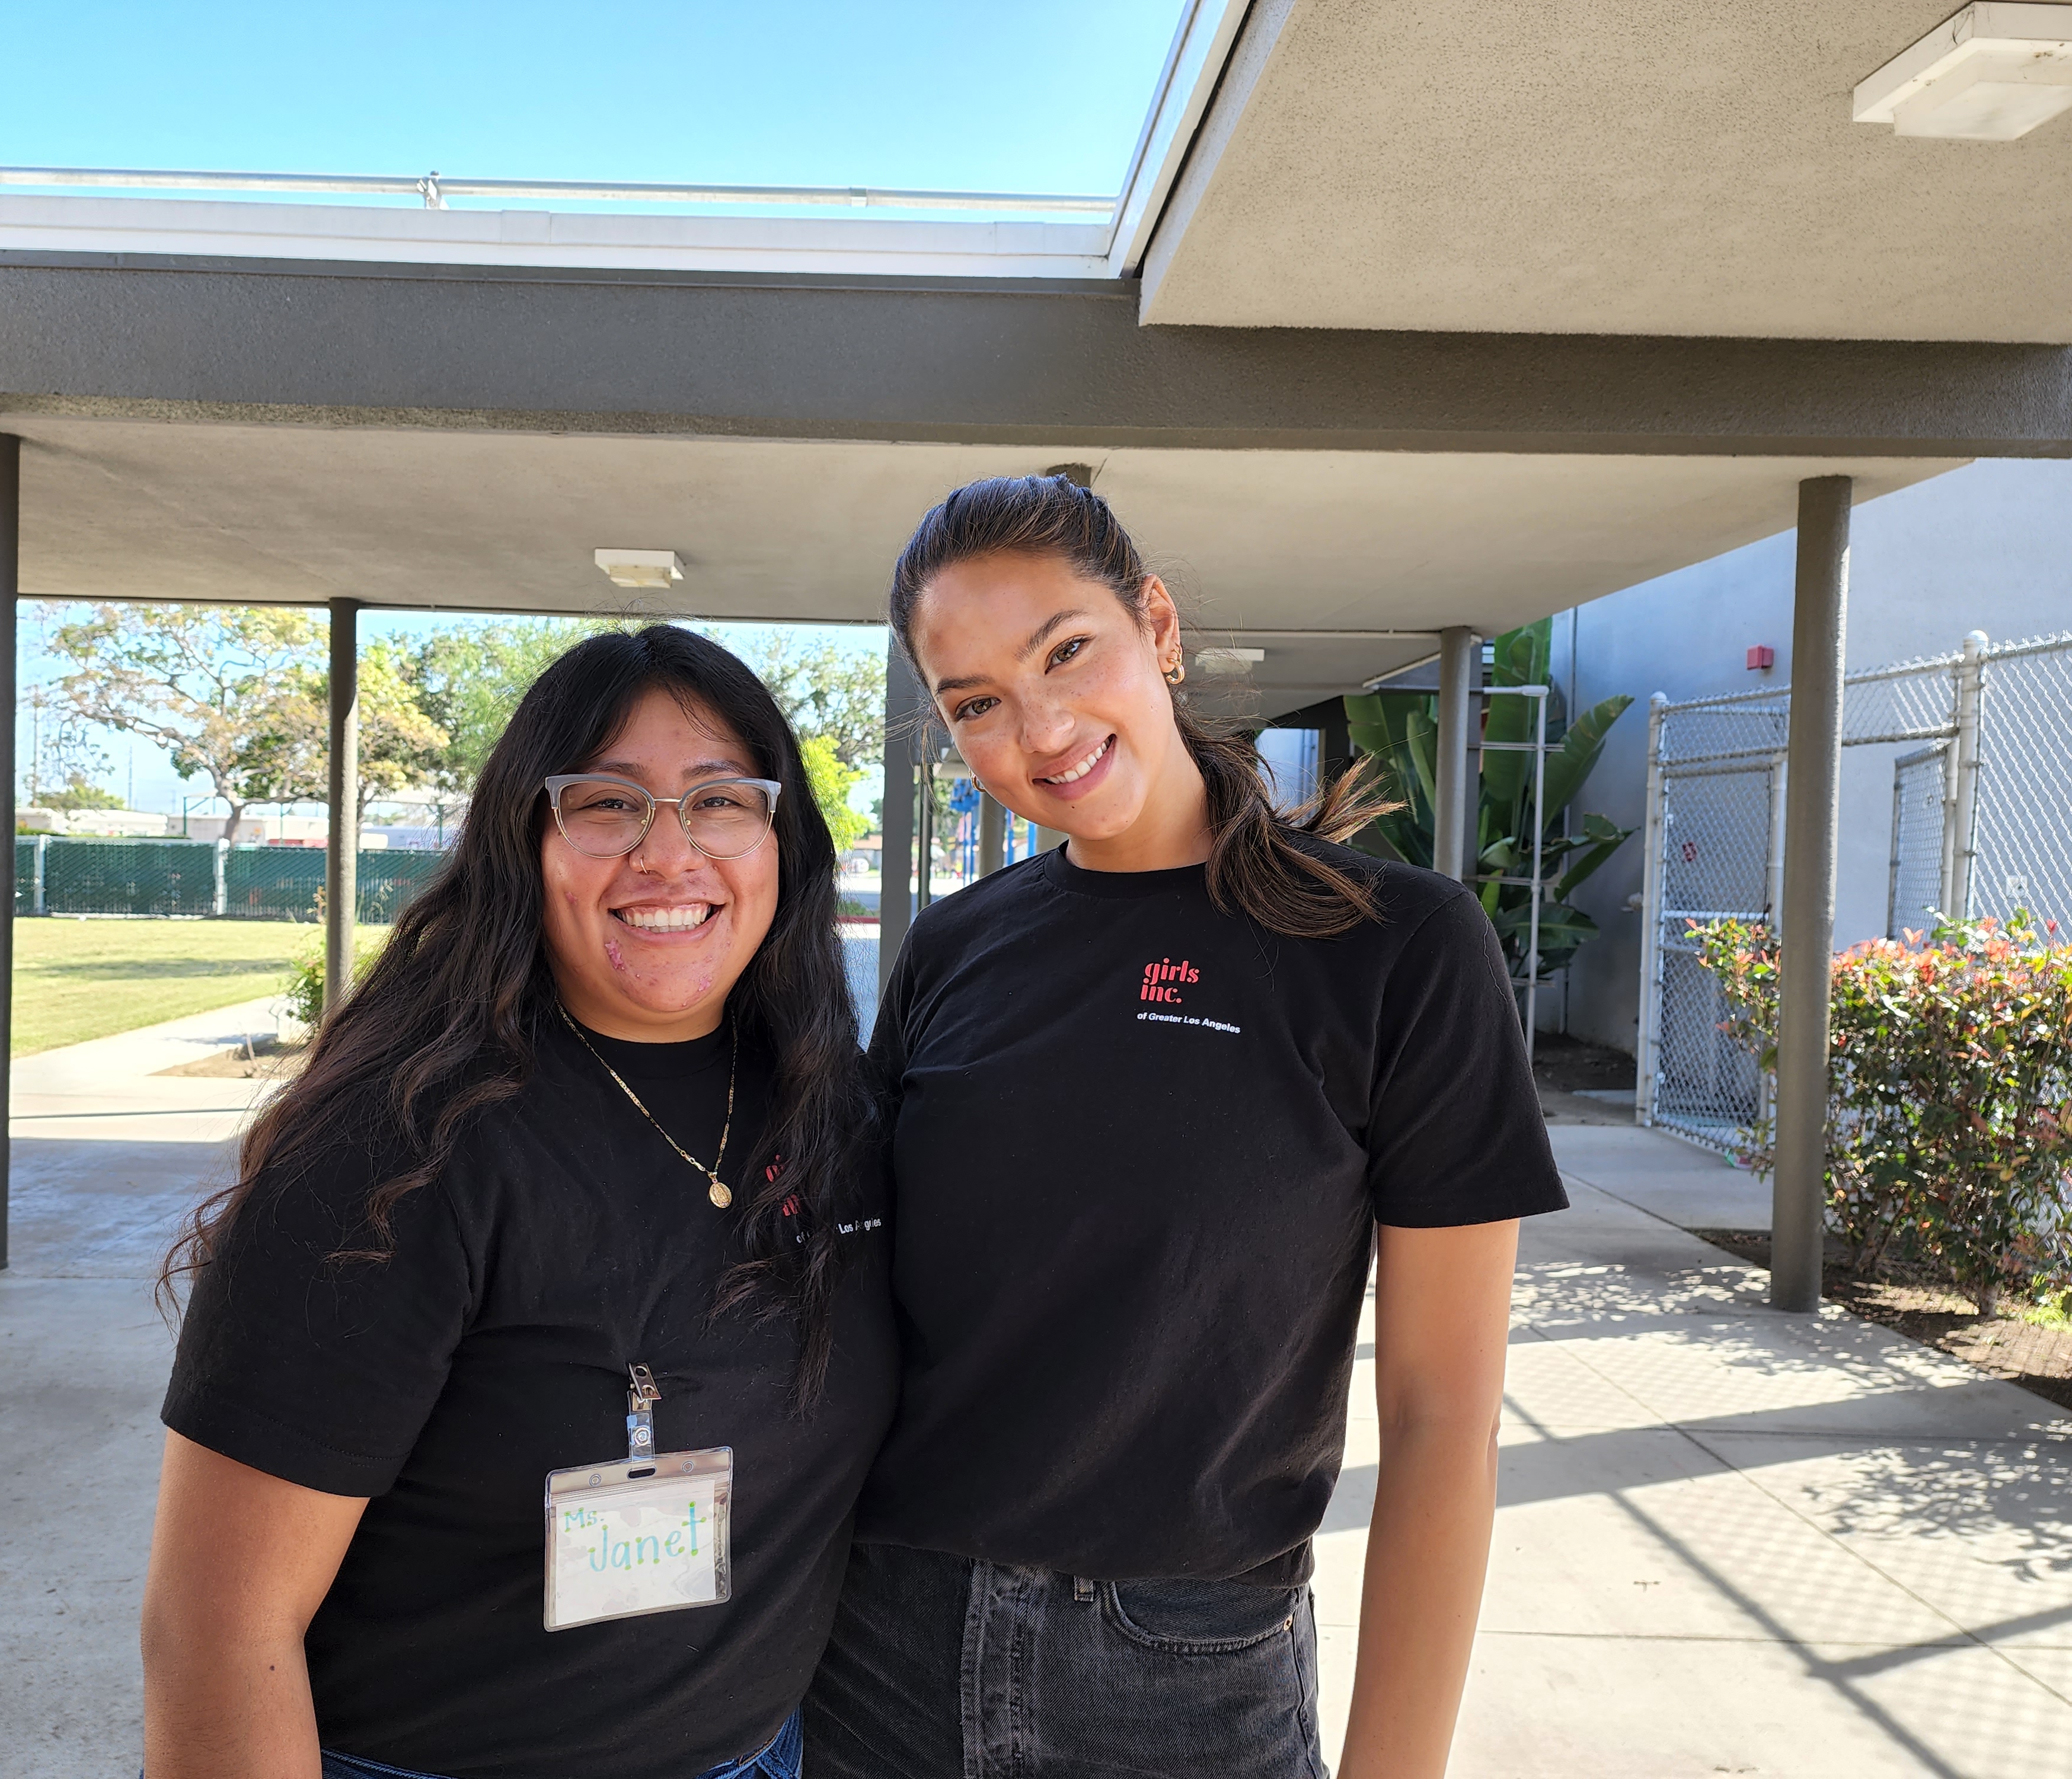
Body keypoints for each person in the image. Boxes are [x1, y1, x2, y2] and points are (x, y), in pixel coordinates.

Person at [805, 476, 1567, 1779]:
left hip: (1183, 1668)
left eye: (1065, 651)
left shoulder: (1394, 950)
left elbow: (1444, 1414)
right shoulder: (954, 947)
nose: (1039, 729)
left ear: (1154, 626)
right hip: (881, 1645)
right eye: (975, 703)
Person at [142, 626, 895, 1779]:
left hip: (763, 1754)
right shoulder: (395, 1152)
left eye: (718, 803)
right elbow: (215, 1630)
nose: (668, 853)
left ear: (779, 841)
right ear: (524, 843)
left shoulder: (824, 1106)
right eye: (607, 804)